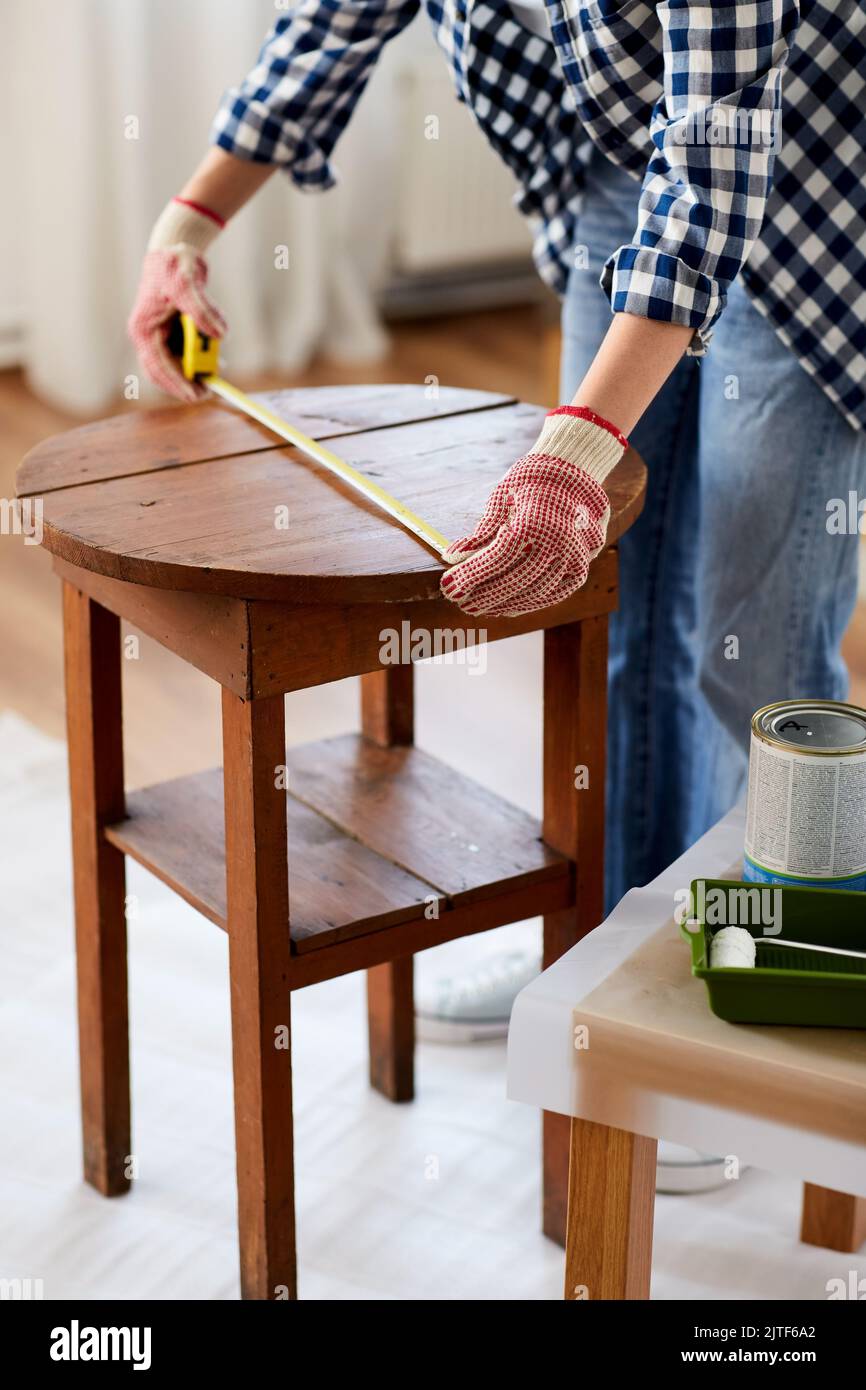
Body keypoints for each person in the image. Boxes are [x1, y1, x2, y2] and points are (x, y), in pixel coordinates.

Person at [130, 3, 866, 1187]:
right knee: (614, 613)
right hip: (622, 181)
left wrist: (572, 446)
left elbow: (720, 155)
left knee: (750, 649)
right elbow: (331, 22)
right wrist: (188, 224)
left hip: (804, 195)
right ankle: (607, 975)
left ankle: (749, 1033)